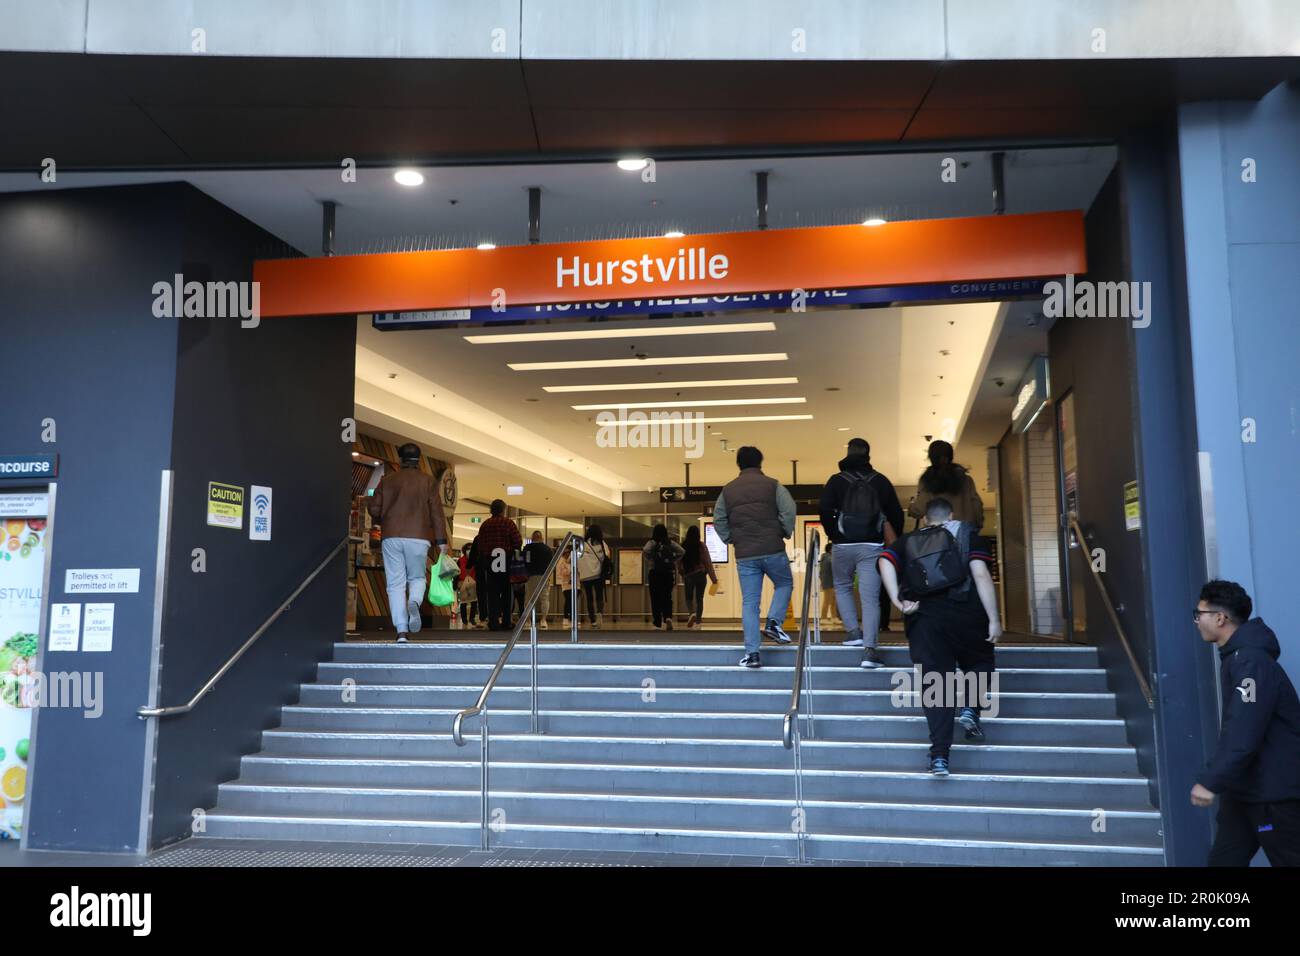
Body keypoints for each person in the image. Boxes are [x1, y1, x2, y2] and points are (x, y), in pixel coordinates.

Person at [878, 497, 1001, 776]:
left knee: (936, 686)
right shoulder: (969, 536)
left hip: (925, 620)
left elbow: (884, 561)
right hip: (968, 614)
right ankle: (971, 707)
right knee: (979, 660)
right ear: (952, 514)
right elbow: (980, 575)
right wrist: (994, 619)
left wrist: (899, 603)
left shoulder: (909, 540)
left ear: (925, 519)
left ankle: (940, 757)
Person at [1191, 580, 1300, 867]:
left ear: (1220, 618)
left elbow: (1244, 727)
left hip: (1272, 796)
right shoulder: (1239, 658)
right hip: (1246, 793)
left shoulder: (1250, 663)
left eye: (1198, 614)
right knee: (1224, 861)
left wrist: (1211, 780)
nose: (1197, 621)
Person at [818, 437, 904, 668]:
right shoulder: (880, 481)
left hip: (842, 544)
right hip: (872, 545)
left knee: (843, 586)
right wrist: (892, 540)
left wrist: (834, 533)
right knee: (870, 598)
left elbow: (824, 509)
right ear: (868, 454)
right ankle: (869, 651)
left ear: (847, 453)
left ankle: (853, 632)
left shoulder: (836, 481)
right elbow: (896, 514)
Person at [714, 446, 795, 669]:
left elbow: (719, 519)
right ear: (760, 462)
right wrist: (784, 532)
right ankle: (774, 622)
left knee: (750, 602)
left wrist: (732, 538)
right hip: (773, 549)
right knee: (785, 583)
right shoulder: (773, 485)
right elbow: (789, 510)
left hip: (745, 554)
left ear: (738, 464)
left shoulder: (728, 491)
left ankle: (752, 655)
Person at [366, 442, 448, 643]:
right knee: (417, 577)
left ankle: (401, 631)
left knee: (395, 584)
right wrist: (441, 540)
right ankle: (414, 601)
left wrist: (385, 513)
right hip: (419, 538)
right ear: (418, 460)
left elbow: (374, 509)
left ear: (401, 460)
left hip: (392, 537)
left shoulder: (387, 480)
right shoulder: (428, 482)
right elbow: (437, 513)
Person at [909, 439, 984, 530]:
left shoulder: (928, 480)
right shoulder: (966, 480)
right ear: (951, 456)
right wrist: (978, 524)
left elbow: (920, 509)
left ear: (931, 457)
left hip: (938, 535)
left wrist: (911, 507)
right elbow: (977, 505)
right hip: (964, 532)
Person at [475, 498, 521, 631]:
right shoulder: (508, 523)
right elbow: (518, 541)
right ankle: (507, 621)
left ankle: (493, 621)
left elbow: (481, 545)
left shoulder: (485, 525)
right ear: (503, 510)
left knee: (492, 593)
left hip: (491, 561)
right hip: (506, 561)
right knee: (507, 592)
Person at [643, 524, 686, 630]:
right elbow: (682, 551)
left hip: (654, 573)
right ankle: (668, 617)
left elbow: (645, 551)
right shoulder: (670, 543)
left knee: (655, 597)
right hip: (667, 573)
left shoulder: (652, 543)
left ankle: (657, 622)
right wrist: (672, 559)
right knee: (667, 596)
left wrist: (651, 559)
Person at [680, 524, 718, 629]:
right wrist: (714, 579)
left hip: (688, 576)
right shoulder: (701, 546)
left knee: (688, 597)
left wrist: (681, 572)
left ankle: (691, 613)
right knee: (699, 598)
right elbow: (708, 563)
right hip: (701, 575)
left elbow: (678, 562)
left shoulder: (683, 545)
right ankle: (698, 622)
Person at [577, 523, 612, 628]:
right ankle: (600, 613)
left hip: (586, 576)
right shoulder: (602, 544)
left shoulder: (584, 544)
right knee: (599, 595)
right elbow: (607, 557)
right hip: (598, 574)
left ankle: (592, 620)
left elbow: (578, 557)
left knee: (589, 598)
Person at [523, 530, 554, 629]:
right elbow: (551, 564)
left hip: (530, 576)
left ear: (532, 538)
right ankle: (543, 620)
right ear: (542, 538)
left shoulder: (527, 548)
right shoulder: (547, 549)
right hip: (543, 576)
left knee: (529, 599)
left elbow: (525, 562)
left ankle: (528, 621)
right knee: (544, 598)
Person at [818, 541, 839, 626]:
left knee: (833, 601)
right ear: (830, 549)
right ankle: (823, 618)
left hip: (832, 583)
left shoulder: (829, 557)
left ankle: (834, 617)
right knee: (827, 601)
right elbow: (832, 563)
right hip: (828, 583)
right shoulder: (827, 557)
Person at [557, 544, 577, 625]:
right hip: (566, 585)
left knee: (574, 602)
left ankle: (573, 619)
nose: (568, 554)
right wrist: (570, 569)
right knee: (568, 601)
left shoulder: (574, 559)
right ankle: (565, 618)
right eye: (567, 552)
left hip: (576, 584)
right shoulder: (561, 561)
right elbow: (561, 572)